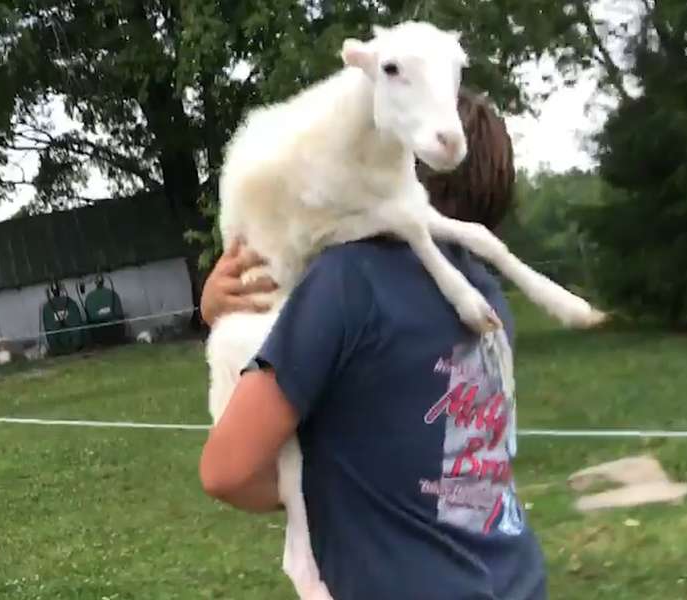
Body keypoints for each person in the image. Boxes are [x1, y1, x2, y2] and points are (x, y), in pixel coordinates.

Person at [199, 89, 546, 600]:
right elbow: (451, 473)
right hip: (514, 581)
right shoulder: (490, 300)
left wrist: (222, 319)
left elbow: (226, 469)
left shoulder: (347, 281)